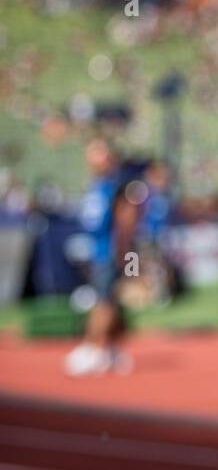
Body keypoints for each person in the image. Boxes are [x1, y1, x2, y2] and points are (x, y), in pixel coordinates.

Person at [64, 140, 139, 376]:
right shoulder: (97, 184)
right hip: (97, 252)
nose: (91, 158)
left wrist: (127, 260)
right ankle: (112, 349)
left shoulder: (120, 184)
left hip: (112, 253)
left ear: (109, 157)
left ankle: (94, 348)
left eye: (96, 153)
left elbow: (127, 224)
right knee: (110, 301)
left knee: (103, 301)